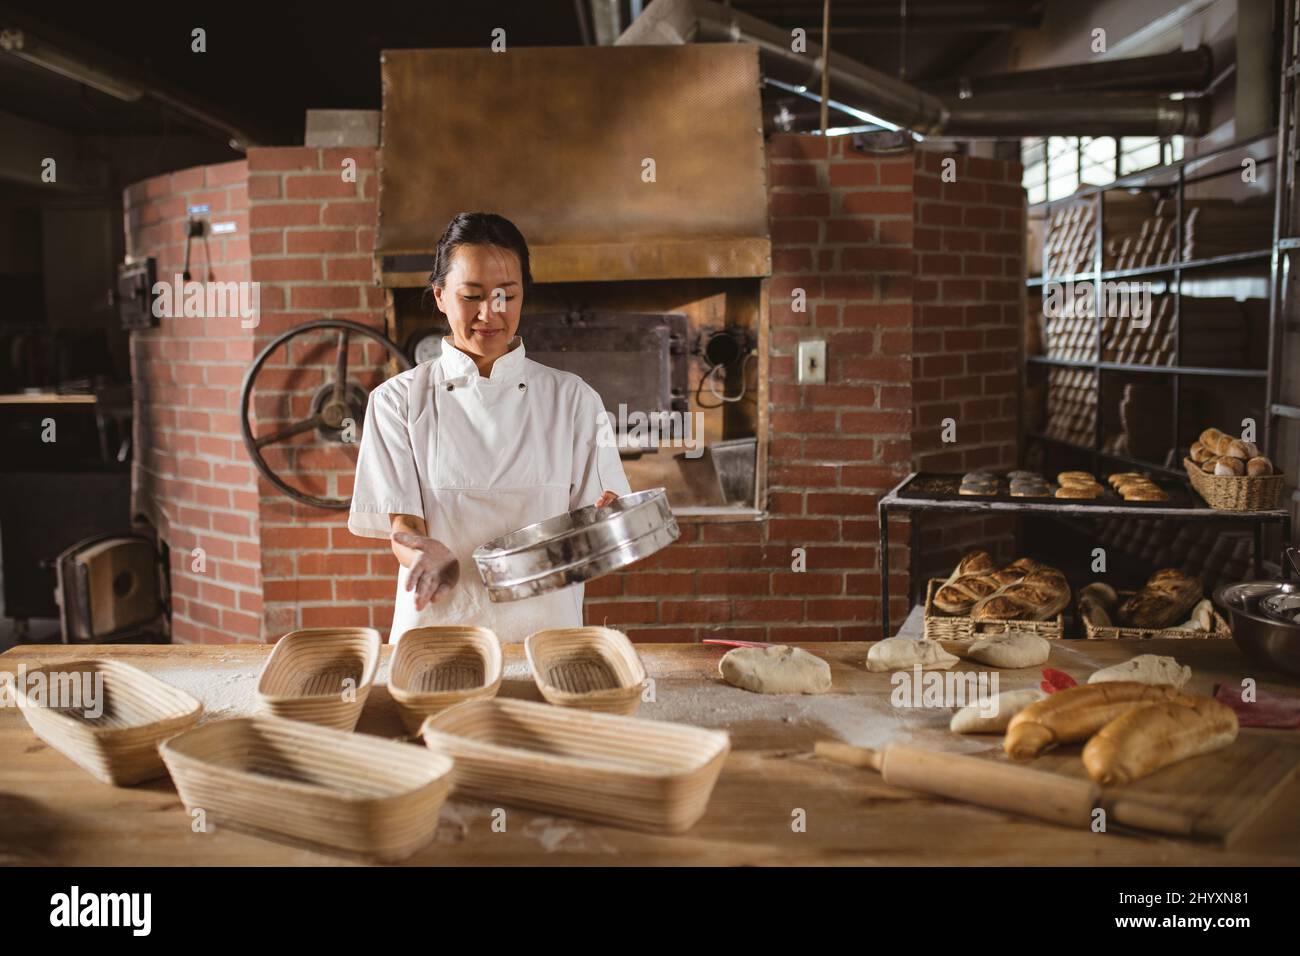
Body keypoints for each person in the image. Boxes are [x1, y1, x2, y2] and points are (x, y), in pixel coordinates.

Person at [348, 212, 630, 643]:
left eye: (506, 296)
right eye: (472, 296)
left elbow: (596, 527)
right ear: (440, 296)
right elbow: (403, 525)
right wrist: (421, 550)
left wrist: (607, 522)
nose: (490, 313)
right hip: (438, 632)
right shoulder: (396, 401)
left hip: (544, 635)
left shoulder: (573, 399)